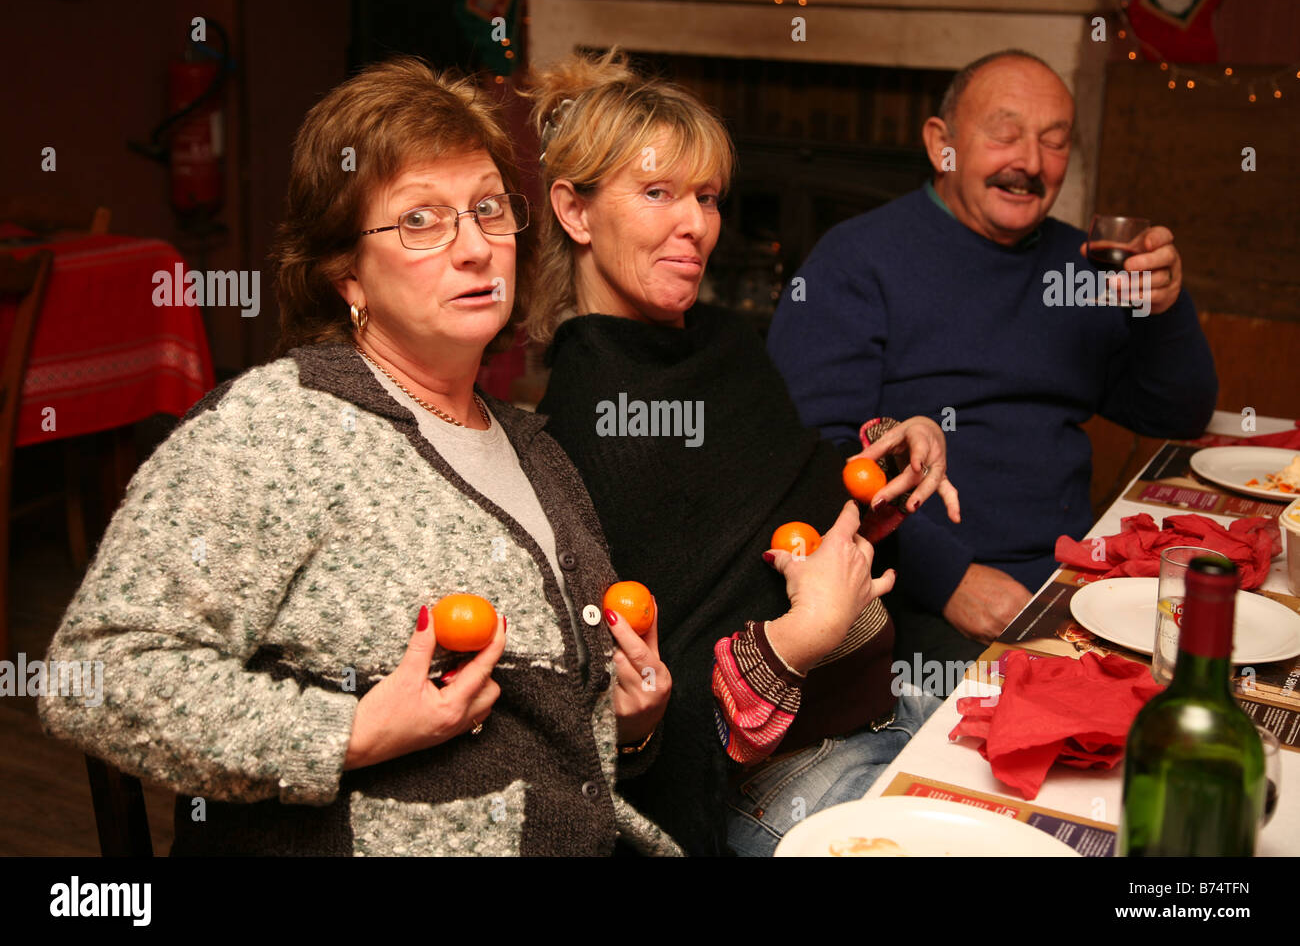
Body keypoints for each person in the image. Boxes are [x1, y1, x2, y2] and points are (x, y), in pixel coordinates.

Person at [38, 57, 679, 857]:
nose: (477, 248)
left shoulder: (537, 451)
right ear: (346, 274)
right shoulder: (277, 429)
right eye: (421, 220)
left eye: (488, 209)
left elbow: (550, 738)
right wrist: (351, 730)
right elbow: (98, 677)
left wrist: (630, 721)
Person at [526, 51, 960, 856]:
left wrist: (889, 452)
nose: (695, 225)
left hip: (886, 707)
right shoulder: (590, 427)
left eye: (706, 197)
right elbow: (652, 717)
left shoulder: (724, 345)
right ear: (576, 213)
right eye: (657, 193)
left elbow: (791, 501)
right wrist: (800, 639)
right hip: (778, 787)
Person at [768, 49, 1218, 672]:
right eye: (1004, 135)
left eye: (1054, 142)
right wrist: (949, 578)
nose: (1029, 163)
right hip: (910, 598)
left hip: (1072, 578)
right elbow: (806, 457)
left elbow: (1179, 411)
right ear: (940, 144)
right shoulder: (855, 260)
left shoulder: (1081, 265)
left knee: (1203, 671)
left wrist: (1164, 306)